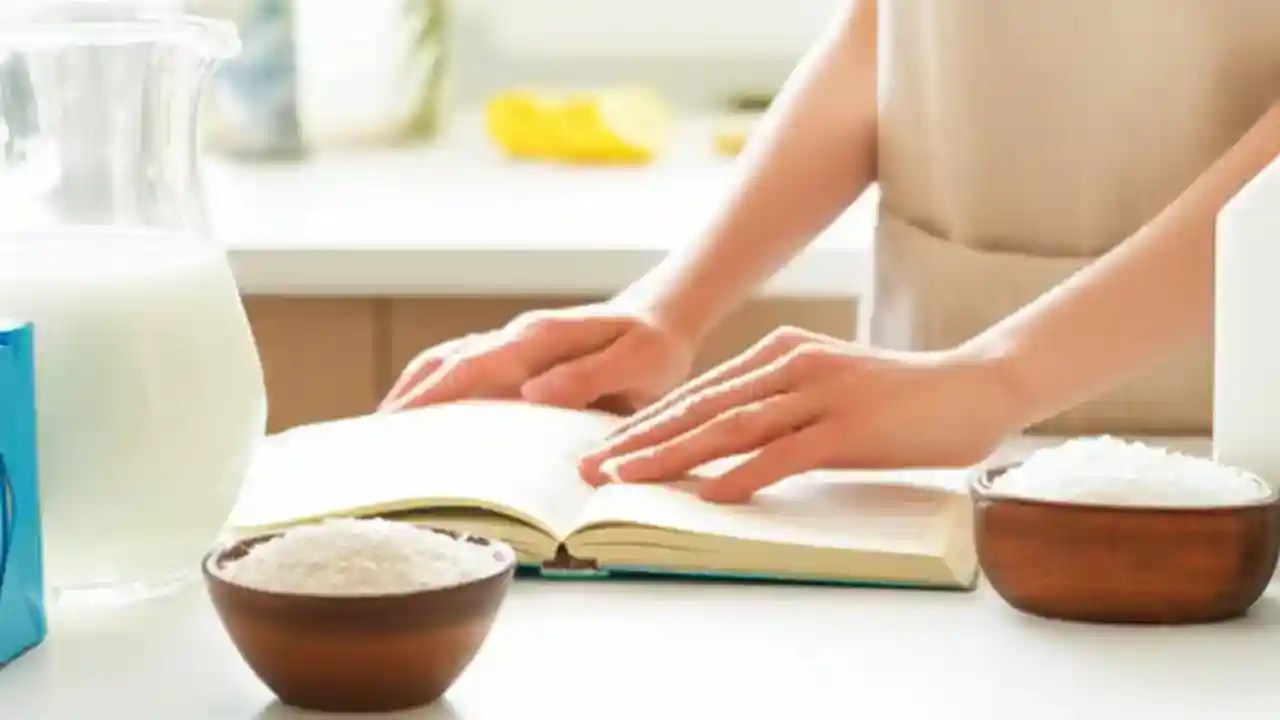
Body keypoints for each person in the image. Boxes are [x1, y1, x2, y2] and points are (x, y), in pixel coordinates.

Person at [381, 0, 1280, 503]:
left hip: (1229, 422)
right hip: (921, 441)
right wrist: (672, 307)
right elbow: (890, 26)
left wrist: (999, 376)